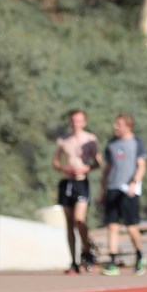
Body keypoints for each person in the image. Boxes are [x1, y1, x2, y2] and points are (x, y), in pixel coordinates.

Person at [99, 113, 147, 276]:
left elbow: (141, 165)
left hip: (129, 190)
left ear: (128, 126)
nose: (115, 126)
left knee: (131, 227)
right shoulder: (112, 144)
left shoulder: (136, 143)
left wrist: (134, 182)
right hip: (112, 187)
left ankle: (139, 255)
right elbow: (108, 167)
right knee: (112, 225)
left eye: (119, 124)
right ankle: (113, 262)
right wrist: (102, 188)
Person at [53, 109, 101, 273]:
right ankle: (73, 261)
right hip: (67, 183)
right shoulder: (63, 140)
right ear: (70, 122)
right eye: (73, 120)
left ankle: (87, 251)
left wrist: (85, 168)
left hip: (81, 182)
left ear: (84, 122)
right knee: (69, 224)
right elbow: (56, 162)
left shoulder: (90, 139)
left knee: (79, 219)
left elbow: (98, 162)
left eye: (79, 120)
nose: (76, 124)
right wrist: (63, 168)